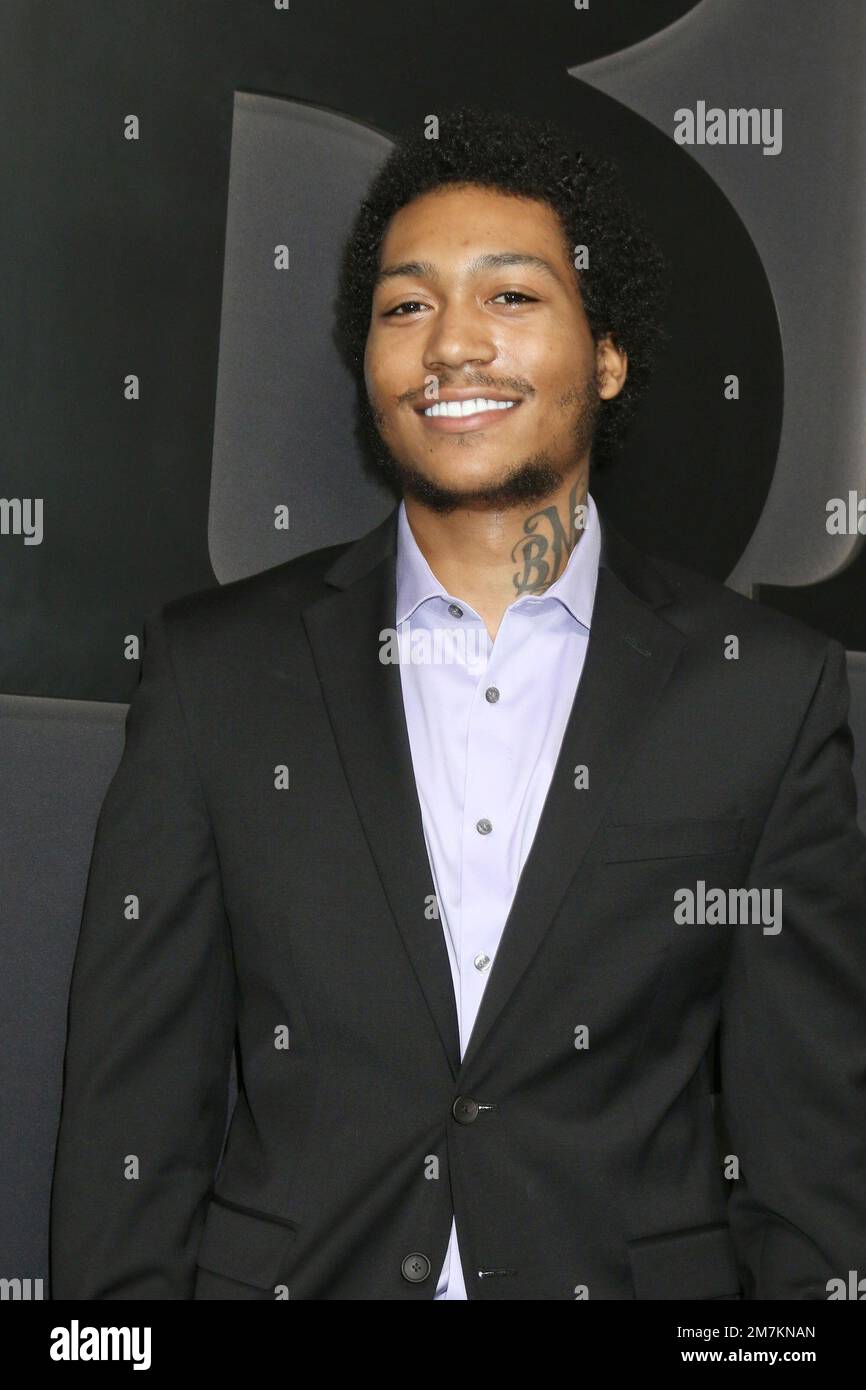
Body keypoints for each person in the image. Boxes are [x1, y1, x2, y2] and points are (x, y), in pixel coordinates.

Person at [50, 106, 866, 1300]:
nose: (451, 345)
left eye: (512, 297)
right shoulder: (215, 673)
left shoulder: (761, 693)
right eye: (406, 305)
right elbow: (129, 1136)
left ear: (606, 355)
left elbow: (813, 1170)